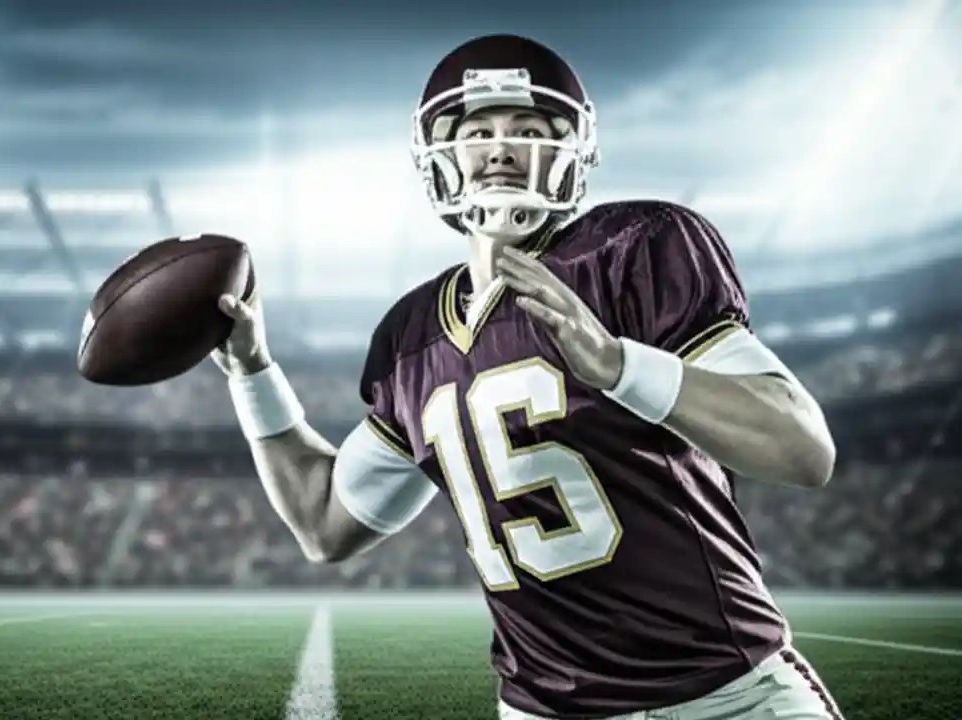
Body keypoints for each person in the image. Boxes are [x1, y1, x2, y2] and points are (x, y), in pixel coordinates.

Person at [212, 33, 842, 720]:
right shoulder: (411, 337)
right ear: (440, 155)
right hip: (544, 709)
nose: (502, 149)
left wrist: (618, 365)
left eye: (529, 130)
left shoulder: (634, 250)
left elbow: (802, 449)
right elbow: (324, 523)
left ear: (574, 149)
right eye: (479, 131)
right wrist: (251, 371)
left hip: (726, 695)